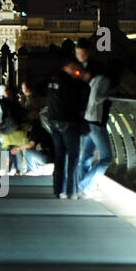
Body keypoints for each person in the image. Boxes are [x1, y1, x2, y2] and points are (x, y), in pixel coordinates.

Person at [46, 58, 89, 198]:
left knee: (59, 157)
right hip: (68, 122)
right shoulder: (70, 83)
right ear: (66, 67)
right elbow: (78, 102)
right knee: (73, 156)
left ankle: (58, 189)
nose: (75, 70)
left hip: (53, 122)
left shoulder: (53, 80)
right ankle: (72, 190)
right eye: (73, 67)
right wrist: (82, 80)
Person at [76, 58, 115, 197]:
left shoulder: (94, 80)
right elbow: (98, 98)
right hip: (96, 122)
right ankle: (85, 184)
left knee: (86, 156)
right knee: (107, 157)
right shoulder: (105, 81)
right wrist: (110, 95)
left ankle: (82, 186)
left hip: (88, 120)